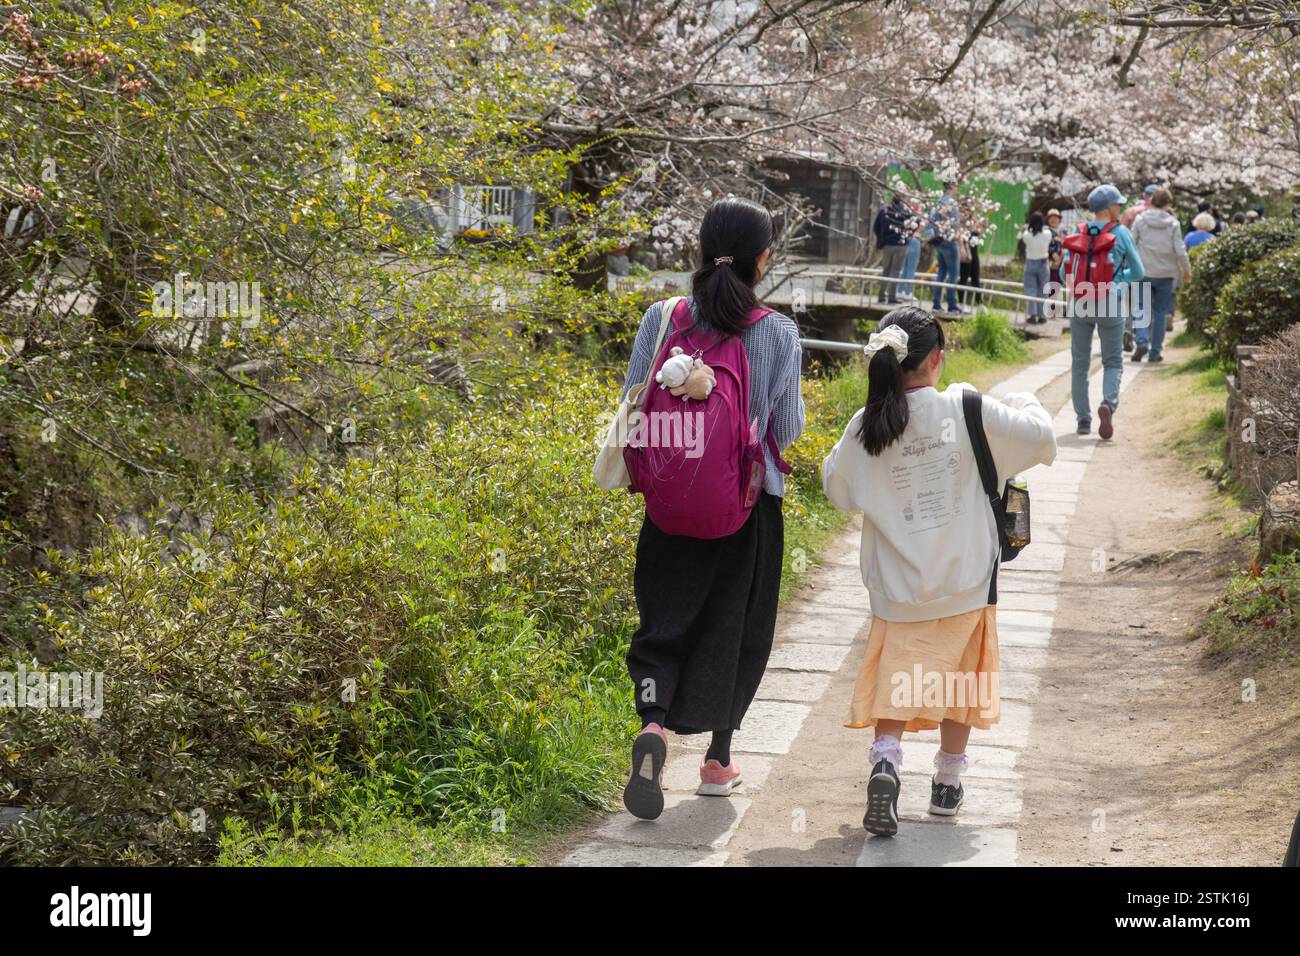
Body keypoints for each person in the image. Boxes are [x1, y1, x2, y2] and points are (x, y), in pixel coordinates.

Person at [821, 307, 1057, 835]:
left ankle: (886, 763)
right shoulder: (968, 408)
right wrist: (1019, 397)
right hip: (966, 584)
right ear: (935, 359)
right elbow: (1042, 439)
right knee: (964, 680)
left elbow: (836, 489)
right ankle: (948, 784)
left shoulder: (867, 425)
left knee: (897, 677)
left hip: (898, 592)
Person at [619, 197, 805, 820]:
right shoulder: (776, 331)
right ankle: (717, 762)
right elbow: (789, 427)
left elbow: (631, 404)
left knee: (665, 617)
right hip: (748, 508)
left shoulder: (662, 315)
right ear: (761, 257)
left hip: (670, 503)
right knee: (735, 629)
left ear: (700, 250)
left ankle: (653, 726)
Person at [1062, 184, 1145, 440]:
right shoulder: (1121, 233)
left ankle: (1083, 419)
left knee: (1079, 362)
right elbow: (1139, 272)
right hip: (1110, 301)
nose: (1120, 208)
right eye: (1118, 204)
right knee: (1112, 361)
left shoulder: (1078, 231)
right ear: (1109, 208)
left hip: (1079, 300)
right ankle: (1107, 404)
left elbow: (1066, 270)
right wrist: (1118, 283)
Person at [1131, 188, 1192, 364]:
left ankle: (1141, 342)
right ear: (1168, 203)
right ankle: (1155, 351)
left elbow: (1132, 243)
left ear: (1152, 200)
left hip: (1143, 271)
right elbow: (1180, 250)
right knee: (1160, 313)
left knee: (1142, 308)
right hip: (1166, 274)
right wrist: (1186, 270)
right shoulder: (1173, 223)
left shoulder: (1140, 220)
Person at [928, 181, 962, 316]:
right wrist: (959, 242)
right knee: (953, 274)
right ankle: (952, 305)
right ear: (952, 187)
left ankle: (936, 304)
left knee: (941, 273)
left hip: (939, 242)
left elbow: (931, 221)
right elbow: (956, 224)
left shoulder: (938, 202)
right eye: (956, 186)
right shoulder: (952, 203)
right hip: (950, 241)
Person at [872, 192, 910, 304]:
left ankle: (881, 295)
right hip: (901, 245)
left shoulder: (884, 210)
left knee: (886, 270)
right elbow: (911, 226)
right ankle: (892, 297)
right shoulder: (905, 211)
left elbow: (876, 227)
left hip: (887, 245)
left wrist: (881, 238)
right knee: (896, 271)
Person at [1020, 212, 1053, 324]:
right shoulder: (1047, 234)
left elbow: (1025, 233)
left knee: (1031, 289)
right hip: (1043, 263)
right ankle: (1042, 316)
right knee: (1043, 290)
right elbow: (1047, 231)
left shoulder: (1027, 236)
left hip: (1030, 263)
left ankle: (1032, 315)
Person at [896, 203, 923, 301]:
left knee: (903, 267)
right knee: (911, 268)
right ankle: (908, 292)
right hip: (915, 240)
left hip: (905, 239)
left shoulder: (904, 212)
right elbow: (921, 228)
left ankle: (899, 291)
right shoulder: (917, 214)